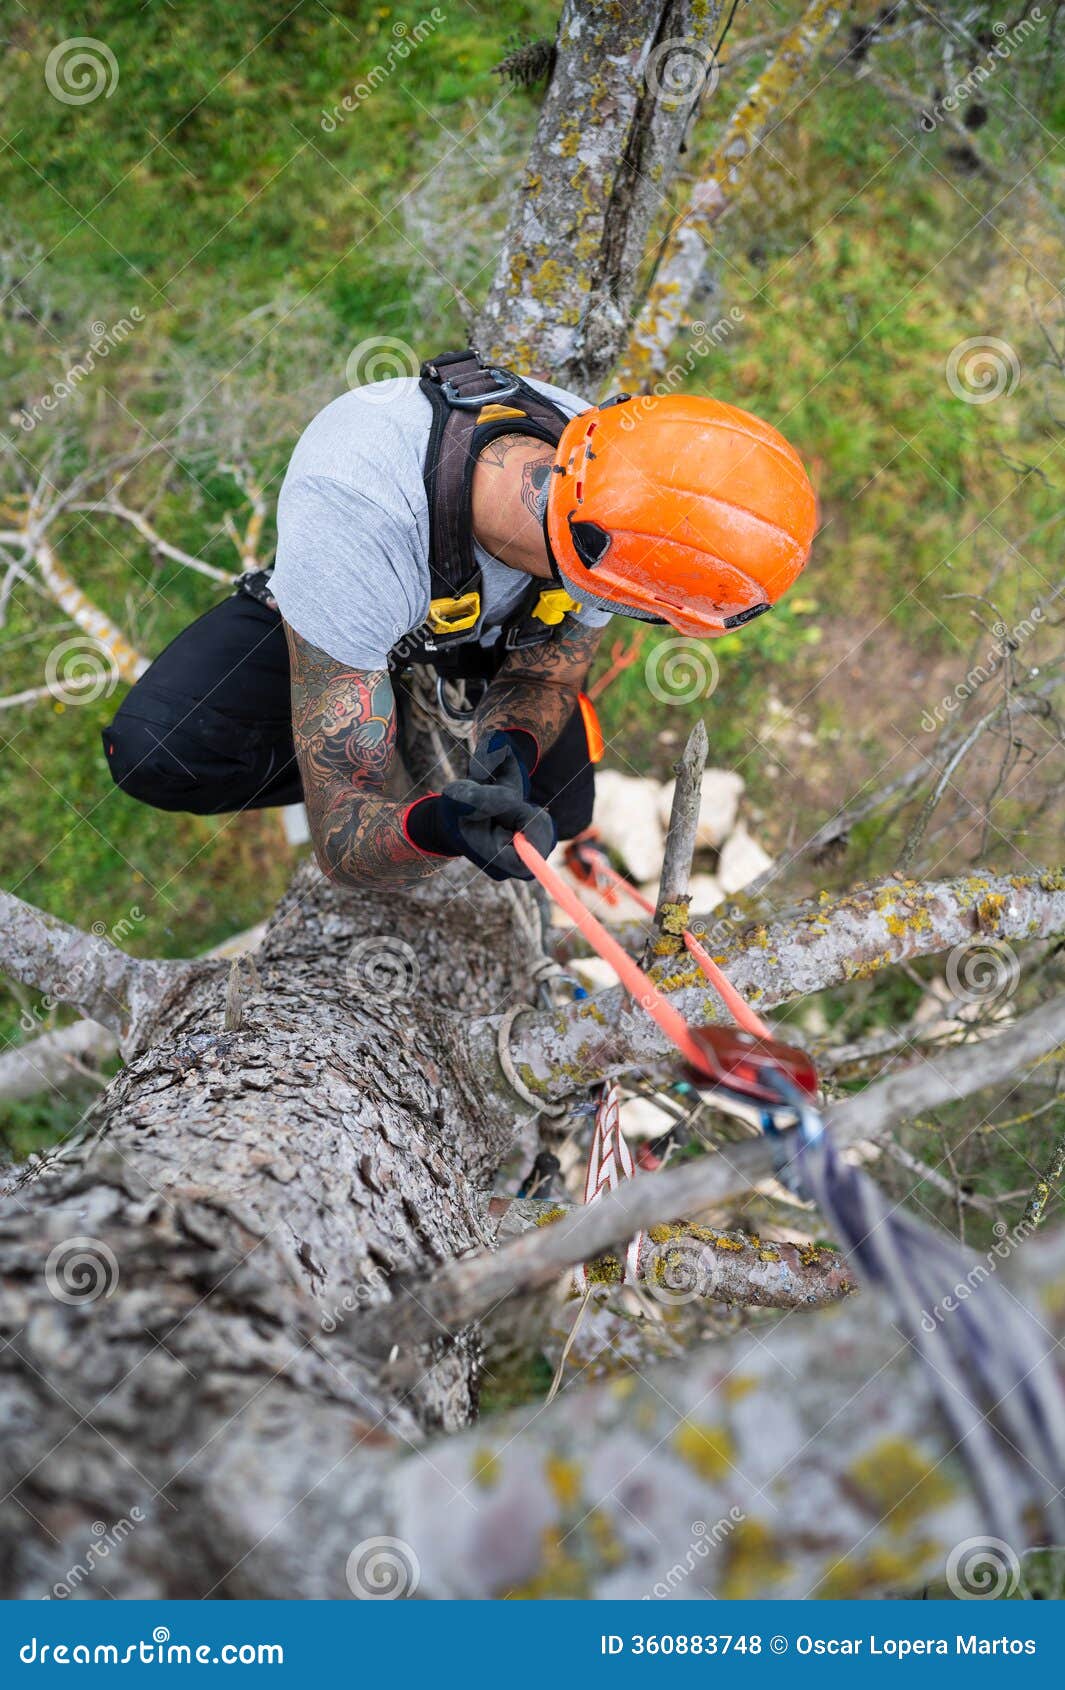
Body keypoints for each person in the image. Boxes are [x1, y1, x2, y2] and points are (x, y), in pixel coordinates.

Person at [103, 349, 816, 887]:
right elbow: (345, 844)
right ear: (587, 555)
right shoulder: (359, 517)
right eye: (649, 614)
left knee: (557, 812)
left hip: (478, 618)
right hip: (364, 600)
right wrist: (437, 825)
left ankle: (426, 716)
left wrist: (511, 755)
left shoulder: (615, 492)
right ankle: (391, 714)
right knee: (162, 755)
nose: (632, 617)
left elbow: (547, 666)